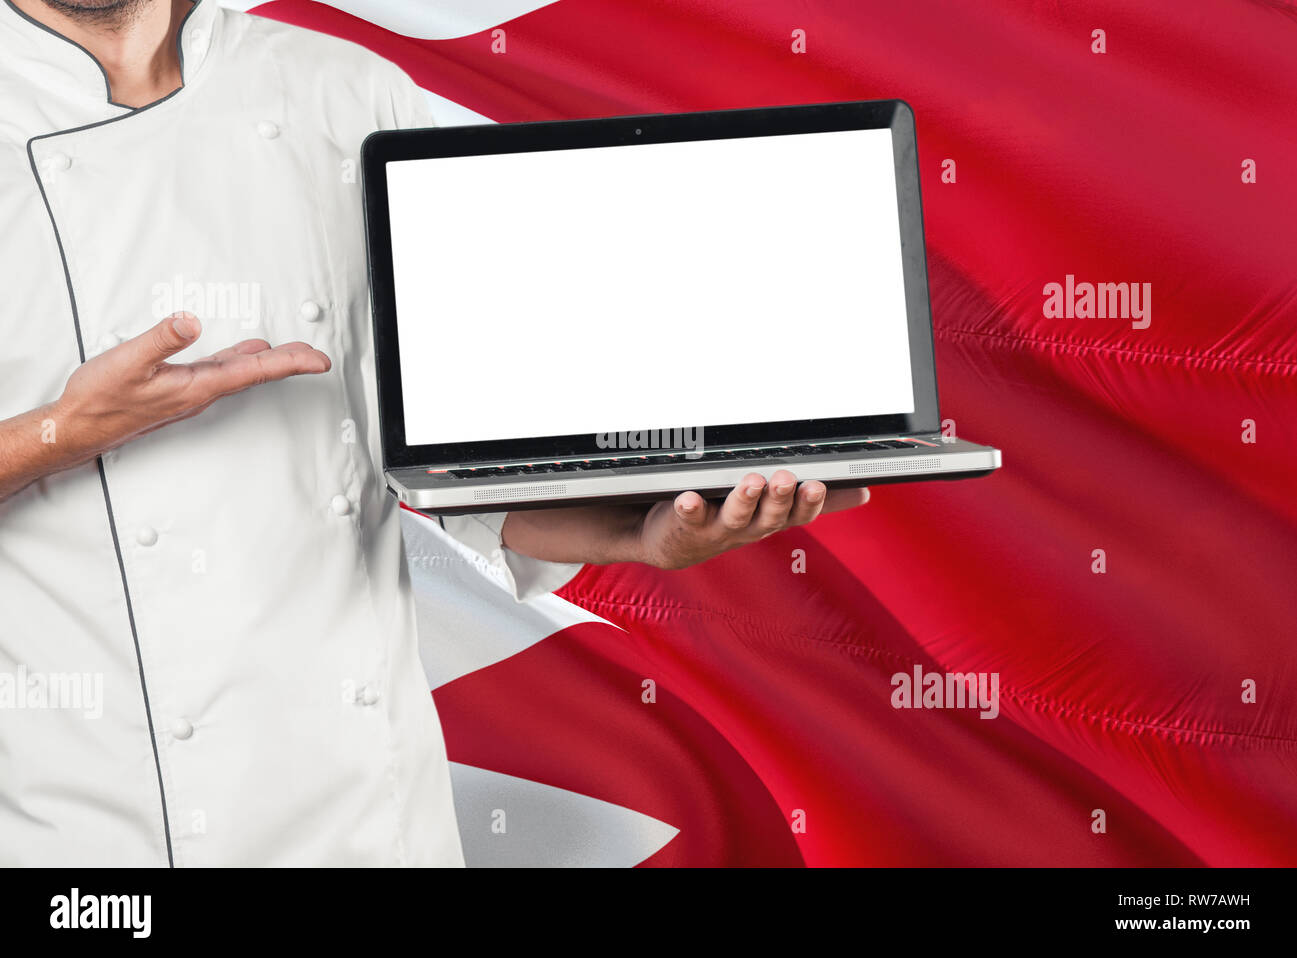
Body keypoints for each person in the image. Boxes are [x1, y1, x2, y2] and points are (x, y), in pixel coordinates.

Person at [0, 0, 867, 865]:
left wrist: (639, 532)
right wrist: (61, 434)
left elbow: (455, 455)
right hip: (88, 831)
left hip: (366, 816)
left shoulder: (347, 94)